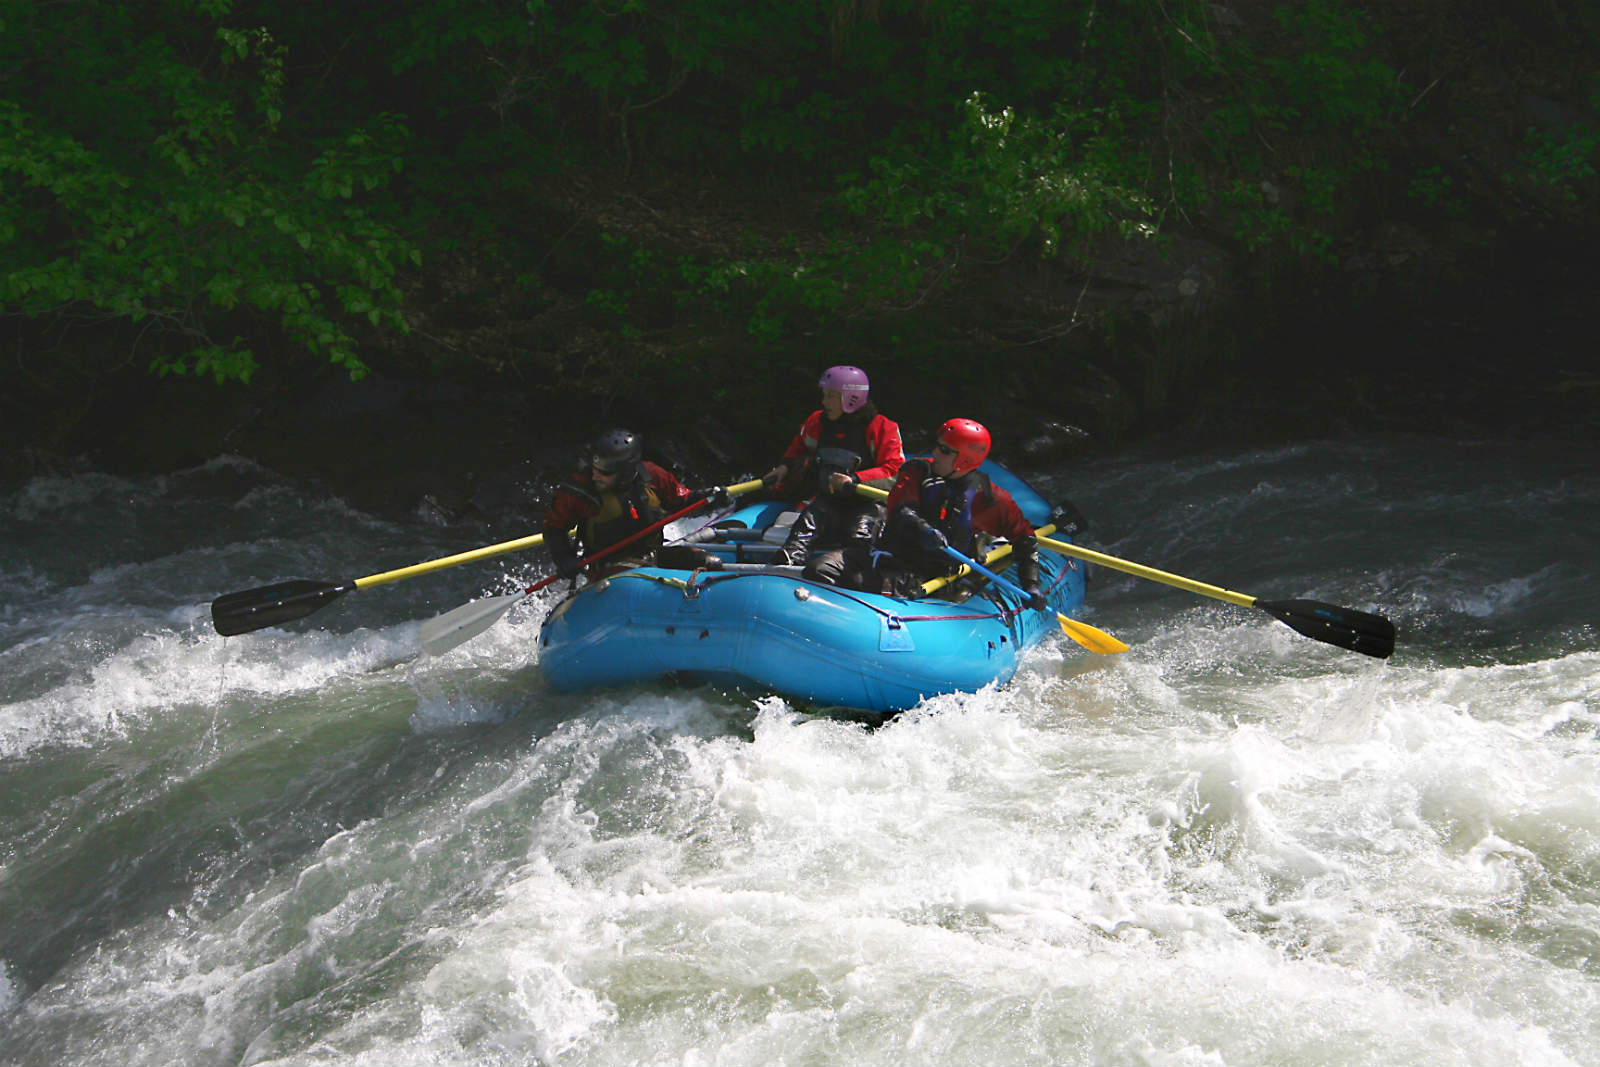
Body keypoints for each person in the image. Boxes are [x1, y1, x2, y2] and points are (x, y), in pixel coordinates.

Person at [873, 417, 1047, 609]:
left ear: (965, 460)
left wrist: (1031, 585)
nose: (935, 453)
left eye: (945, 451)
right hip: (891, 559)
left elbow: (1025, 539)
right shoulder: (917, 471)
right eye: (938, 446)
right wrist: (924, 529)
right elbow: (902, 510)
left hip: (936, 577)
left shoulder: (990, 498)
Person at [763, 366, 904, 586]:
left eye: (831, 396)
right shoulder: (817, 422)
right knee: (809, 521)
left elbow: (894, 471)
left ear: (852, 398)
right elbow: (799, 447)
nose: (824, 402)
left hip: (868, 504)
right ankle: (787, 565)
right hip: (831, 502)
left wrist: (855, 479)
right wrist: (785, 466)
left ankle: (850, 576)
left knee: (861, 534)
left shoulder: (881, 428)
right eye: (824, 395)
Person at [542, 428, 726, 581]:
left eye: (604, 473)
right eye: (594, 469)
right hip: (609, 566)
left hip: (653, 555)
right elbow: (554, 528)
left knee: (711, 563)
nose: (595, 476)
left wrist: (710, 499)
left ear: (625, 471)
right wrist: (564, 558)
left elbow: (683, 502)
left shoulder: (652, 475)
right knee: (637, 574)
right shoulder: (579, 490)